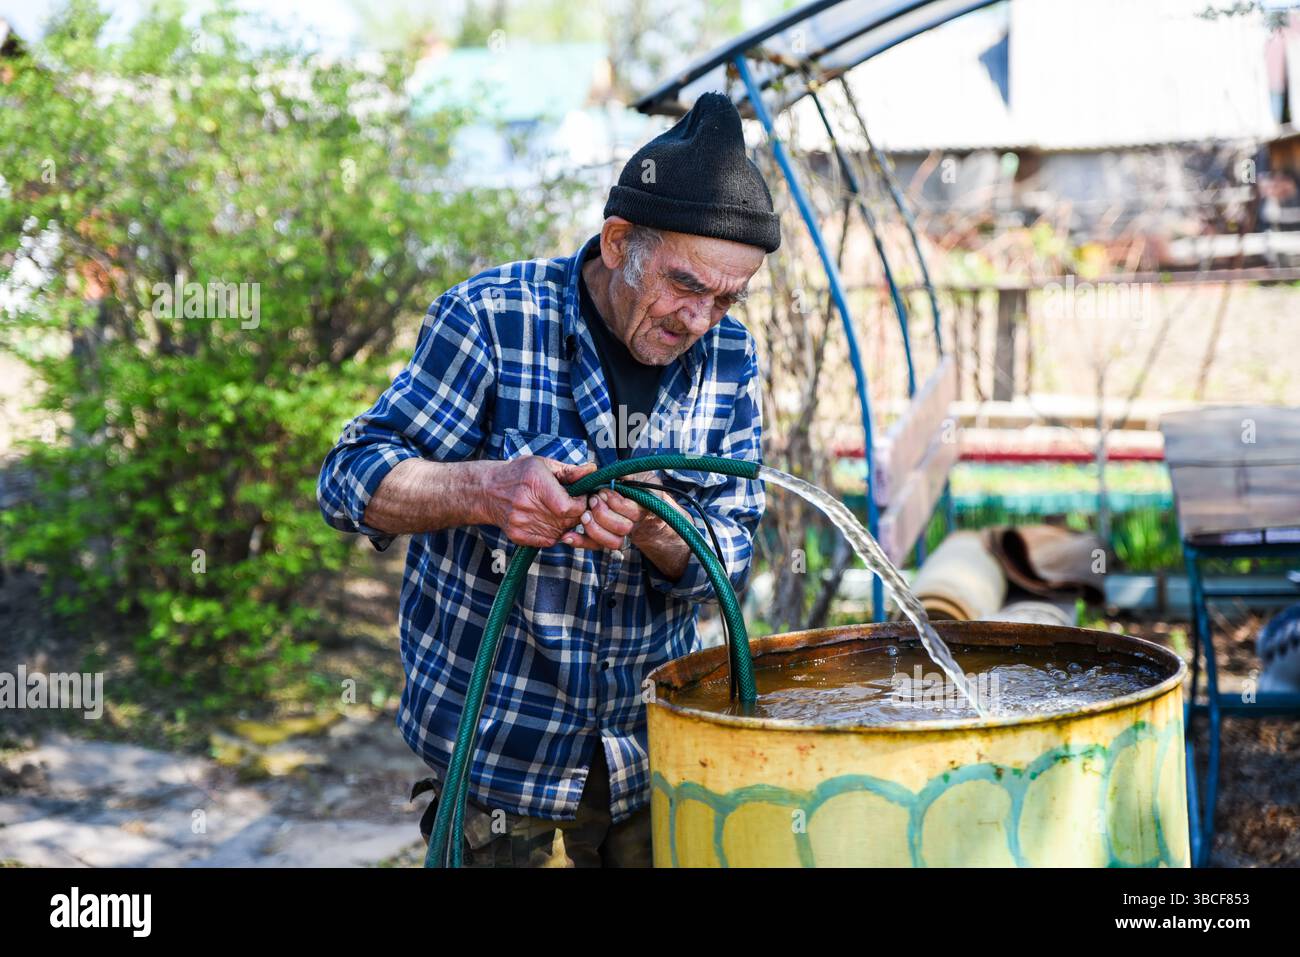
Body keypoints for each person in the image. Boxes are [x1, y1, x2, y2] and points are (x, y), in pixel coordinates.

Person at [317, 92, 780, 867]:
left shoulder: (728, 359)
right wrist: (484, 489)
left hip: (648, 763)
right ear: (618, 240)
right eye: (687, 285)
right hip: (500, 774)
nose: (701, 318)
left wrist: (655, 524)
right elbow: (347, 480)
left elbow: (730, 555)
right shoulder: (492, 320)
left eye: (728, 297)